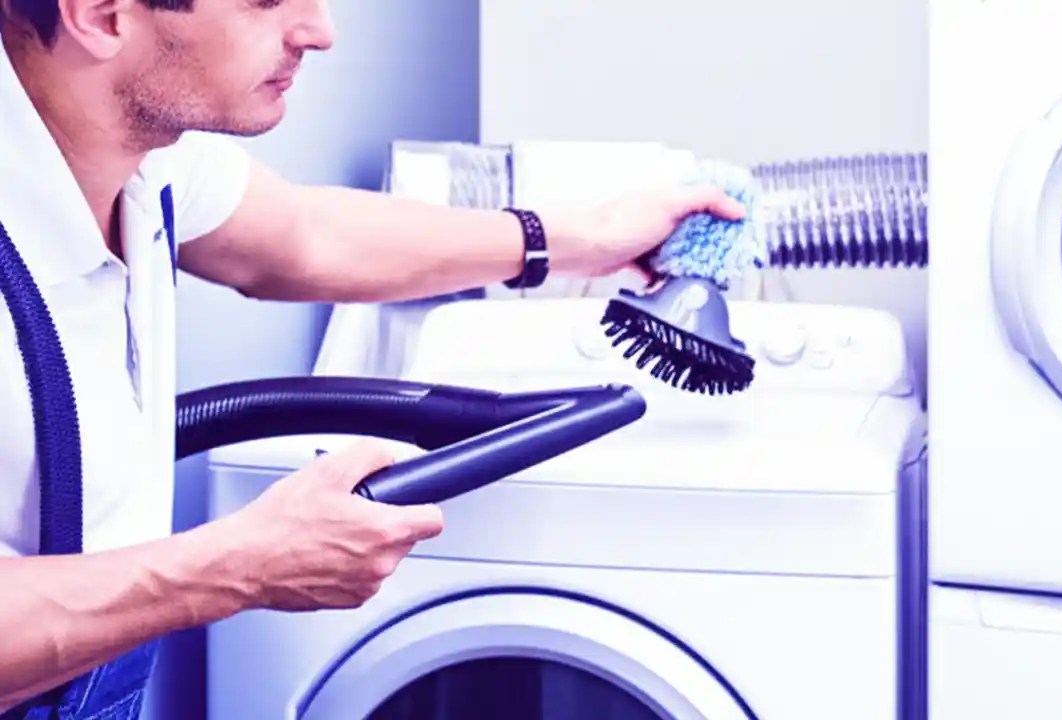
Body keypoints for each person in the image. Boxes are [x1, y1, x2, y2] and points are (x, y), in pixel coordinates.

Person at [0, 0, 745, 715]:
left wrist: (584, 237)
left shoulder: (139, 150)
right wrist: (236, 566)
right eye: (265, 1)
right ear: (101, 13)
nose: (320, 30)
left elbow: (301, 235)